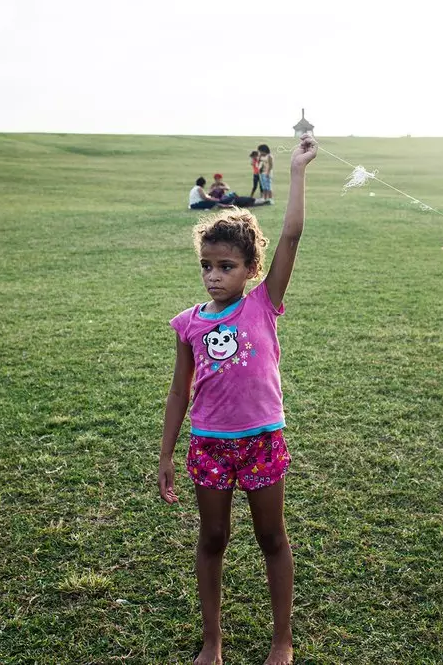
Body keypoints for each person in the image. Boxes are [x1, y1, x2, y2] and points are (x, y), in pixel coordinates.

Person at [160, 133, 317, 665]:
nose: (213, 276)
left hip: (261, 441)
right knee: (213, 539)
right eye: (207, 265)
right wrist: (165, 454)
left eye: (226, 267)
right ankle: (212, 641)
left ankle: (282, 640)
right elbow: (180, 390)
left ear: (251, 269)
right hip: (208, 445)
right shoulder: (189, 325)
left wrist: (296, 172)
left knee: (272, 537)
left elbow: (292, 236)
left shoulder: (263, 304)